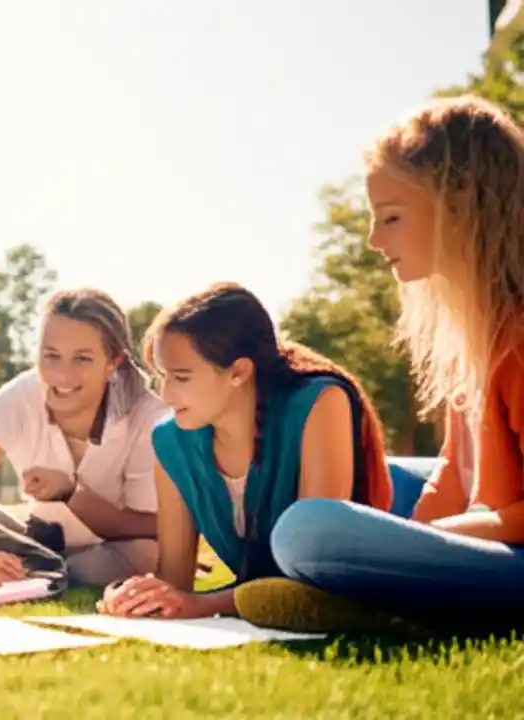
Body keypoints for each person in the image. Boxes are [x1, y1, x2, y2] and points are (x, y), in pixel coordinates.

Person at [242, 96, 524, 633]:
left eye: (391, 218)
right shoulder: (477, 329)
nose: (375, 241)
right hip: (492, 527)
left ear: (463, 206)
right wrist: (414, 531)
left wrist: (431, 538)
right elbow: (454, 469)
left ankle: (381, 597)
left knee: (308, 529)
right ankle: (385, 590)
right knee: (375, 475)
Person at [101, 282, 392, 619]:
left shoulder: (319, 402)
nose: (164, 395)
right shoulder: (170, 440)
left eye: (181, 377)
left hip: (388, 546)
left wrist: (204, 605)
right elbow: (176, 579)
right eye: (162, 376)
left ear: (239, 371)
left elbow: (316, 564)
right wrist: (136, 595)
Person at [0, 288, 168, 589]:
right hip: (32, 539)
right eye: (51, 356)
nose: (62, 375)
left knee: (148, 553)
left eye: (82, 359)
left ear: (113, 362)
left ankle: (41, 574)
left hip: (110, 550)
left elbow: (152, 527)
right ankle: (25, 571)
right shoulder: (20, 396)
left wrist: (71, 493)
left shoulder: (148, 417)